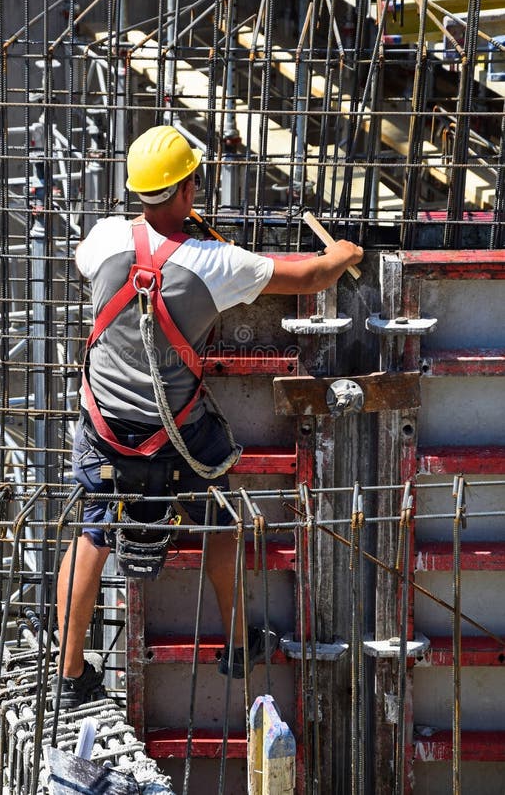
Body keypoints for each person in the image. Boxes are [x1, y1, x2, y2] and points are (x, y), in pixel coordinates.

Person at [53, 125, 363, 709]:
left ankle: (71, 674)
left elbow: (113, 265)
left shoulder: (102, 239)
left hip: (105, 425)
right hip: (177, 435)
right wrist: (341, 255)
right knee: (221, 516)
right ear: (184, 190)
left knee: (92, 529)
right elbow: (308, 276)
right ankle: (239, 641)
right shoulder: (214, 263)